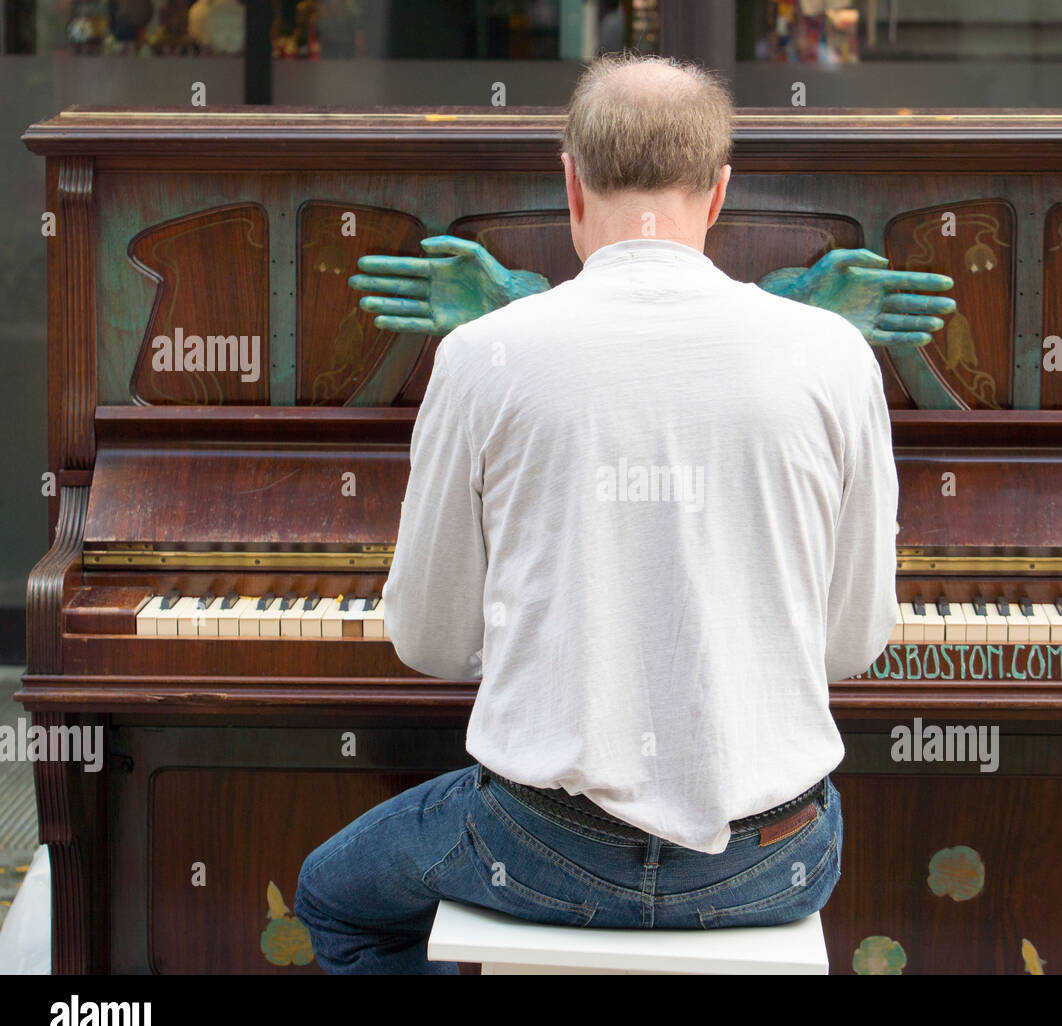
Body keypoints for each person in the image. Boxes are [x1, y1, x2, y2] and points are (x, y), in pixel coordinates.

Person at [295, 52, 910, 974]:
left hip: (543, 847)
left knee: (332, 898)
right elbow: (850, 645)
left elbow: (427, 642)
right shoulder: (834, 356)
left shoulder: (480, 356)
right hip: (774, 859)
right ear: (718, 194)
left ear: (571, 183)